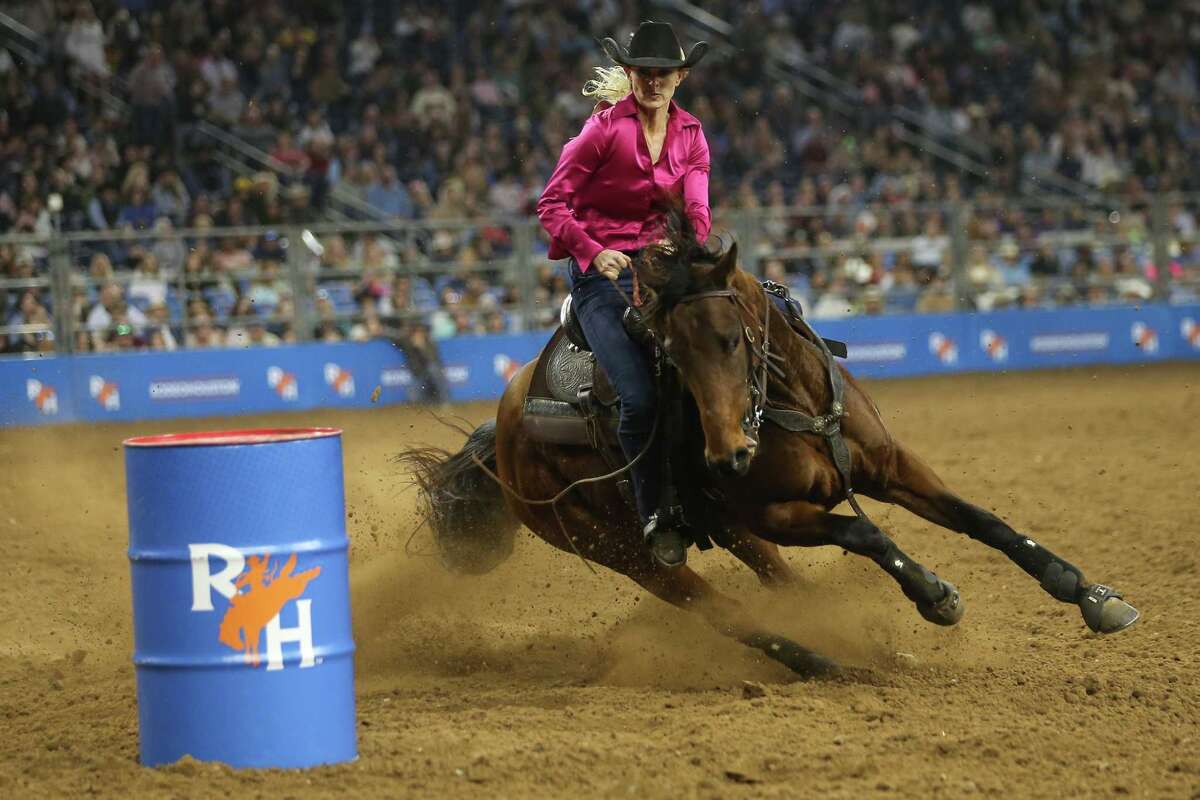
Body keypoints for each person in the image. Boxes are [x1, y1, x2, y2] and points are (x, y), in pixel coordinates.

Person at [536, 21, 710, 569]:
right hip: (601, 279)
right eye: (643, 73)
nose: (653, 82)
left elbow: (699, 211)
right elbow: (551, 206)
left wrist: (688, 250)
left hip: (661, 272)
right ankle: (654, 513)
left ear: (680, 77)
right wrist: (592, 250)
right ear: (631, 75)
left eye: (663, 73)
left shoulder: (693, 135)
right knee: (638, 396)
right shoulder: (601, 133)